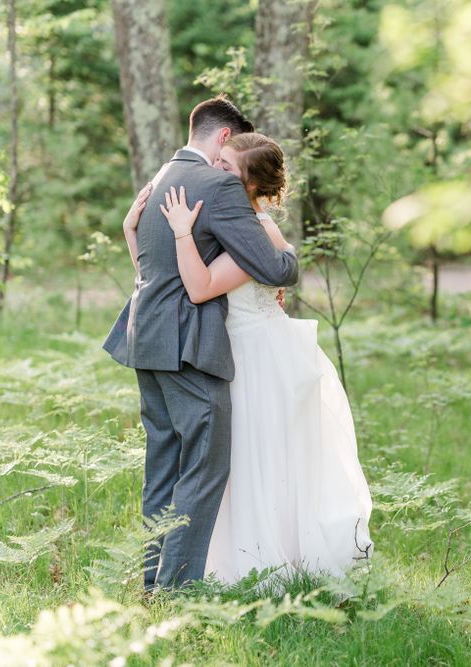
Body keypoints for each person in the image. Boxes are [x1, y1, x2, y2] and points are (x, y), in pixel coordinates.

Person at [125, 132, 373, 585]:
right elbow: (163, 280)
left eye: (226, 167)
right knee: (224, 463)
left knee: (252, 461)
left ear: (251, 184)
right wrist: (133, 231)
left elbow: (198, 287)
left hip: (252, 357)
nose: (215, 169)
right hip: (225, 350)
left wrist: (181, 232)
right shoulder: (227, 222)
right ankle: (201, 568)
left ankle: (255, 563)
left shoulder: (253, 231)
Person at [104, 96, 299, 591]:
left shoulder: (161, 178)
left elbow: (155, 269)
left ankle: (152, 584)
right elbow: (273, 267)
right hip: (189, 348)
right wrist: (290, 259)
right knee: (205, 469)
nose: (223, 165)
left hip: (145, 338)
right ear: (226, 136)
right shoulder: (218, 185)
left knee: (163, 468)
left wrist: (128, 230)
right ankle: (174, 592)